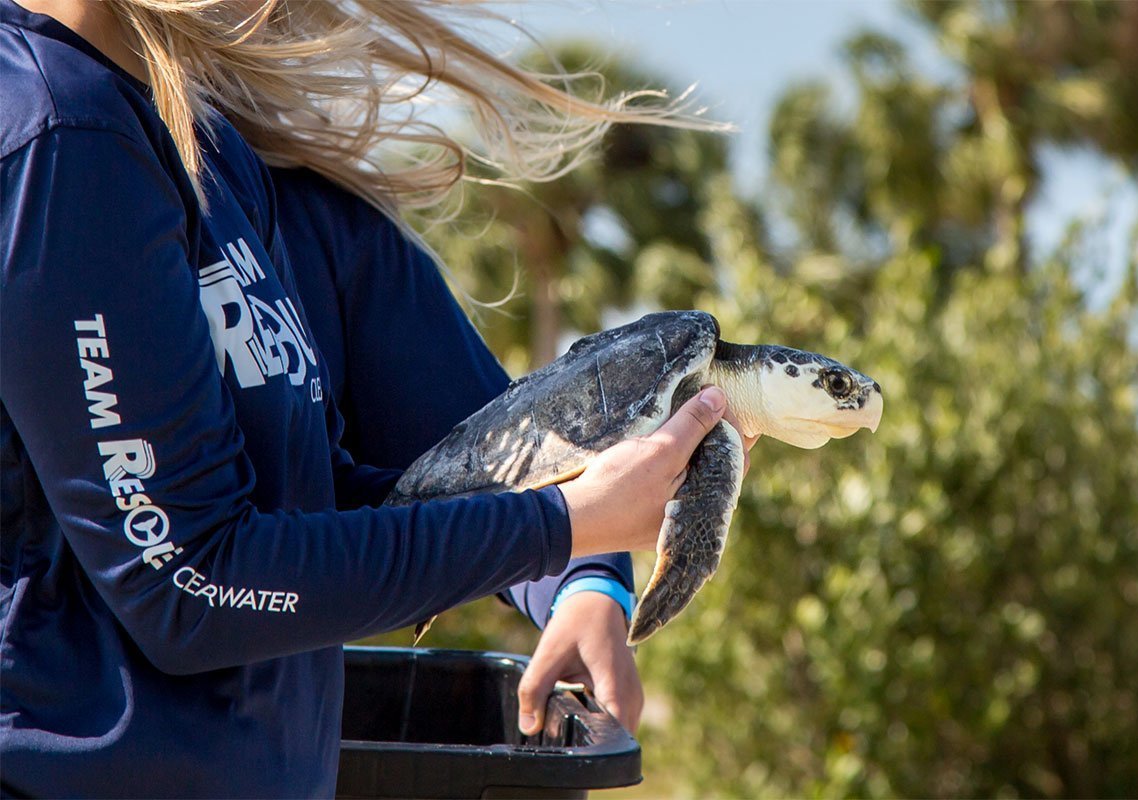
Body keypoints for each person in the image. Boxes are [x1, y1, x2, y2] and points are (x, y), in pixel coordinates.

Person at [0, 0, 748, 796]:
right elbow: (191, 584)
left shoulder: (202, 144)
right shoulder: (59, 135)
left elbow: (335, 494)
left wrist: (583, 564)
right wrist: (558, 524)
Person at [271, 166, 643, 736]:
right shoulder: (99, 159)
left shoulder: (321, 220)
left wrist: (586, 582)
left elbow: (499, 454)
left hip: (287, 750)